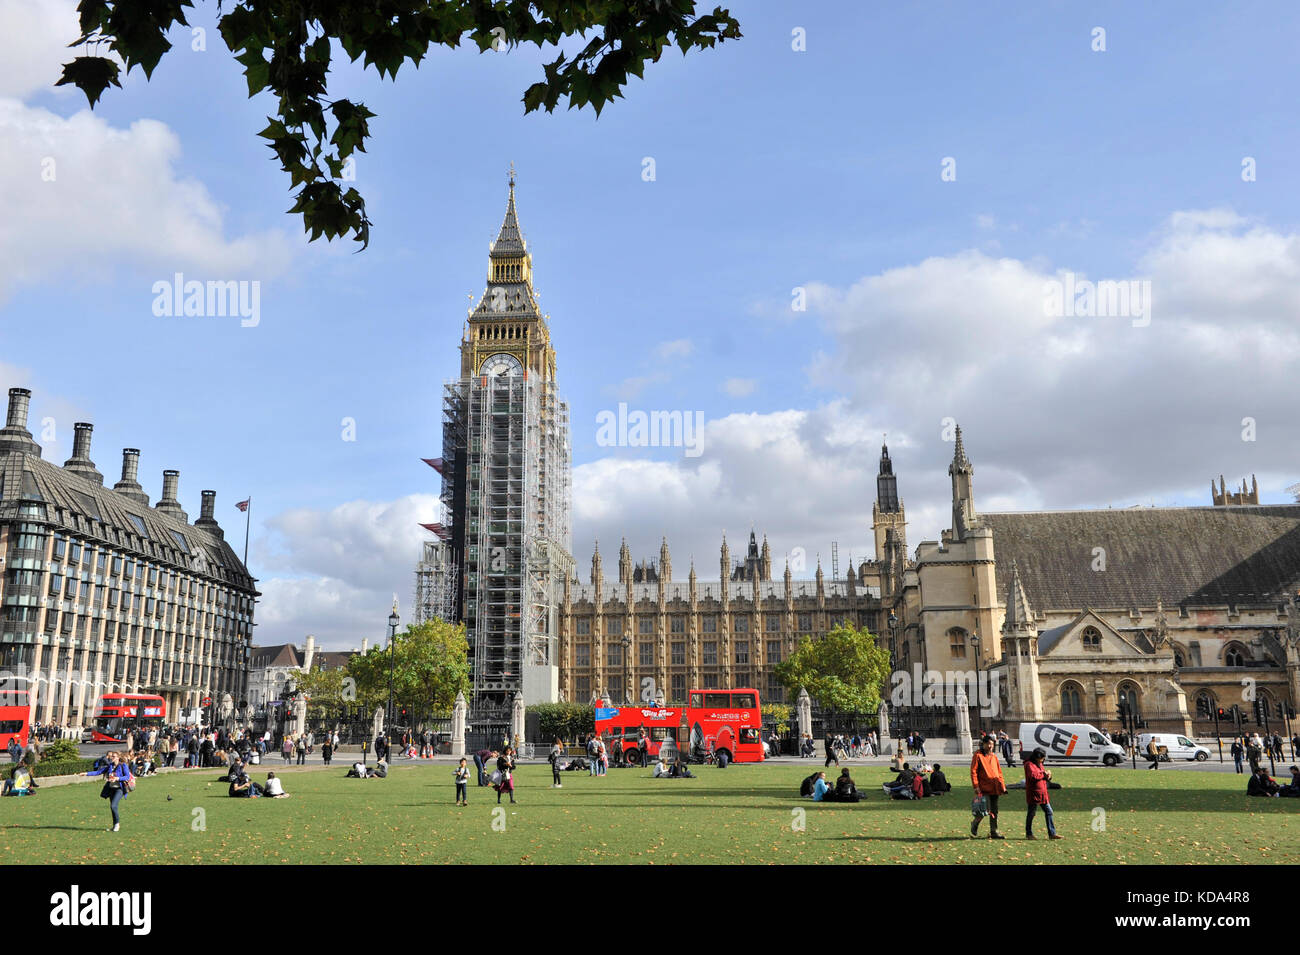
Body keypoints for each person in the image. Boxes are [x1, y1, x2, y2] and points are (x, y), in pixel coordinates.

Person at [83, 751, 133, 831]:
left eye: (113, 756)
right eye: (111, 756)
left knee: (113, 806)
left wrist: (117, 778)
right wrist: (86, 773)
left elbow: (127, 777)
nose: (111, 758)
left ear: (118, 757)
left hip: (119, 789)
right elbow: (98, 772)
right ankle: (114, 825)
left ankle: (117, 825)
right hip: (111, 789)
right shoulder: (110, 766)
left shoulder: (123, 765)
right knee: (113, 807)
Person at [970, 735, 1007, 839]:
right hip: (984, 787)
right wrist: (976, 786)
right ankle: (975, 823)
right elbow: (974, 771)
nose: (990, 746)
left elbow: (999, 772)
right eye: (988, 744)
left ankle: (994, 831)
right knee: (983, 810)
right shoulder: (978, 755)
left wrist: (1002, 786)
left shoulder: (994, 757)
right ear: (984, 744)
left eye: (992, 744)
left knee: (994, 811)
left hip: (995, 787)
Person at [1023, 748, 1062, 840]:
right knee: (1031, 813)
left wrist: (1048, 776)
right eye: (1042, 758)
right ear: (1037, 757)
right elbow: (1033, 776)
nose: (1043, 760)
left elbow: (1042, 776)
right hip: (1034, 792)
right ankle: (1029, 833)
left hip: (1042, 792)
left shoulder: (1039, 764)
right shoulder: (1029, 764)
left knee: (1049, 811)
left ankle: (1052, 833)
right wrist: (1044, 774)